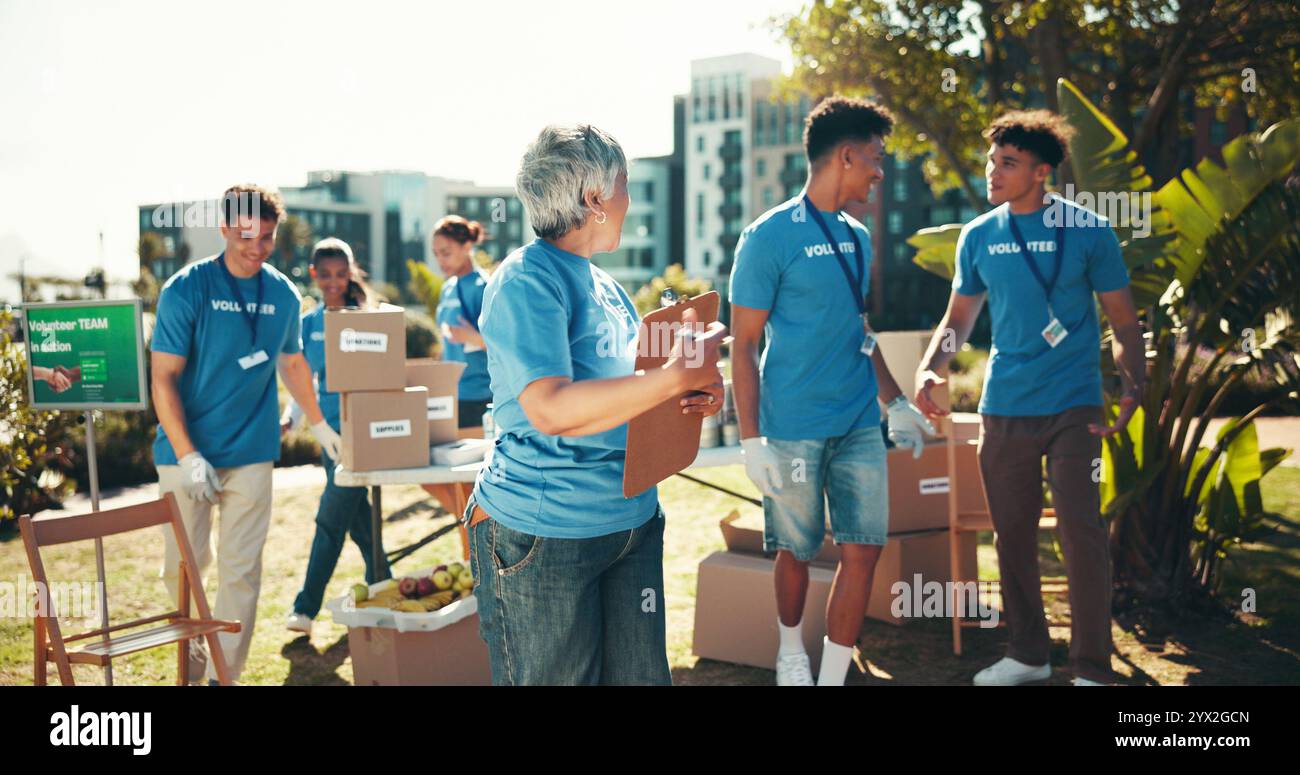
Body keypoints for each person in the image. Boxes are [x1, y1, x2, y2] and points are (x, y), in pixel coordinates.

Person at [464, 123, 727, 685]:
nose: (628, 199)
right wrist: (672, 378)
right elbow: (551, 409)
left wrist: (691, 391)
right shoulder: (524, 281)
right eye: (624, 185)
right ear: (594, 198)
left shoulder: (606, 287)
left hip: (630, 524)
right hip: (545, 535)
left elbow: (637, 392)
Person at [913, 110, 1144, 686]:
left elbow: (1123, 319)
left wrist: (1133, 385)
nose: (993, 171)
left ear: (1041, 172)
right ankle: (1028, 655)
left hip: (1075, 407)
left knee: (1080, 532)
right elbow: (959, 318)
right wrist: (927, 368)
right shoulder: (980, 235)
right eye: (992, 161)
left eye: (1007, 163)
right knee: (1011, 533)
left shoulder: (1089, 230)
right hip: (1004, 407)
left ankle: (1091, 666)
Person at [729, 95, 936, 686]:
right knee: (795, 547)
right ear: (846, 156)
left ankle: (834, 673)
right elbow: (742, 343)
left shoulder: (857, 236)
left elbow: (858, 331)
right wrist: (752, 440)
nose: (880, 171)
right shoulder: (766, 238)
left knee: (863, 547)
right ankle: (790, 649)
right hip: (792, 423)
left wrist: (893, 402)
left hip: (856, 424)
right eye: (875, 158)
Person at [150, 184, 342, 685]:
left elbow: (292, 361)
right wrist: (190, 456)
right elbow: (163, 378)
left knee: (241, 572)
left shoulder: (281, 292)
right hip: (183, 452)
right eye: (245, 238)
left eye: (267, 238)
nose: (256, 248)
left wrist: (317, 423)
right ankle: (187, 673)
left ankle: (222, 677)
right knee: (183, 573)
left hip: (251, 451)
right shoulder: (186, 289)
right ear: (224, 230)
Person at [282, 238, 391, 635]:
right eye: (325, 275)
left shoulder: (364, 317)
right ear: (314, 275)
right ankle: (386, 586)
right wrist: (291, 418)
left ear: (350, 274)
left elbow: (384, 372)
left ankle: (305, 609)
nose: (333, 282)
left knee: (331, 517)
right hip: (327, 433)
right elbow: (302, 379)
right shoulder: (308, 323)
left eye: (341, 275)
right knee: (356, 514)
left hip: (361, 431)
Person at [431, 215, 492, 427]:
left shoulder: (484, 287)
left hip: (481, 397)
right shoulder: (447, 288)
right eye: (436, 254)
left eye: (446, 253)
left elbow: (506, 346)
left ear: (467, 246)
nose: (440, 260)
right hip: (451, 396)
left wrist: (473, 337)